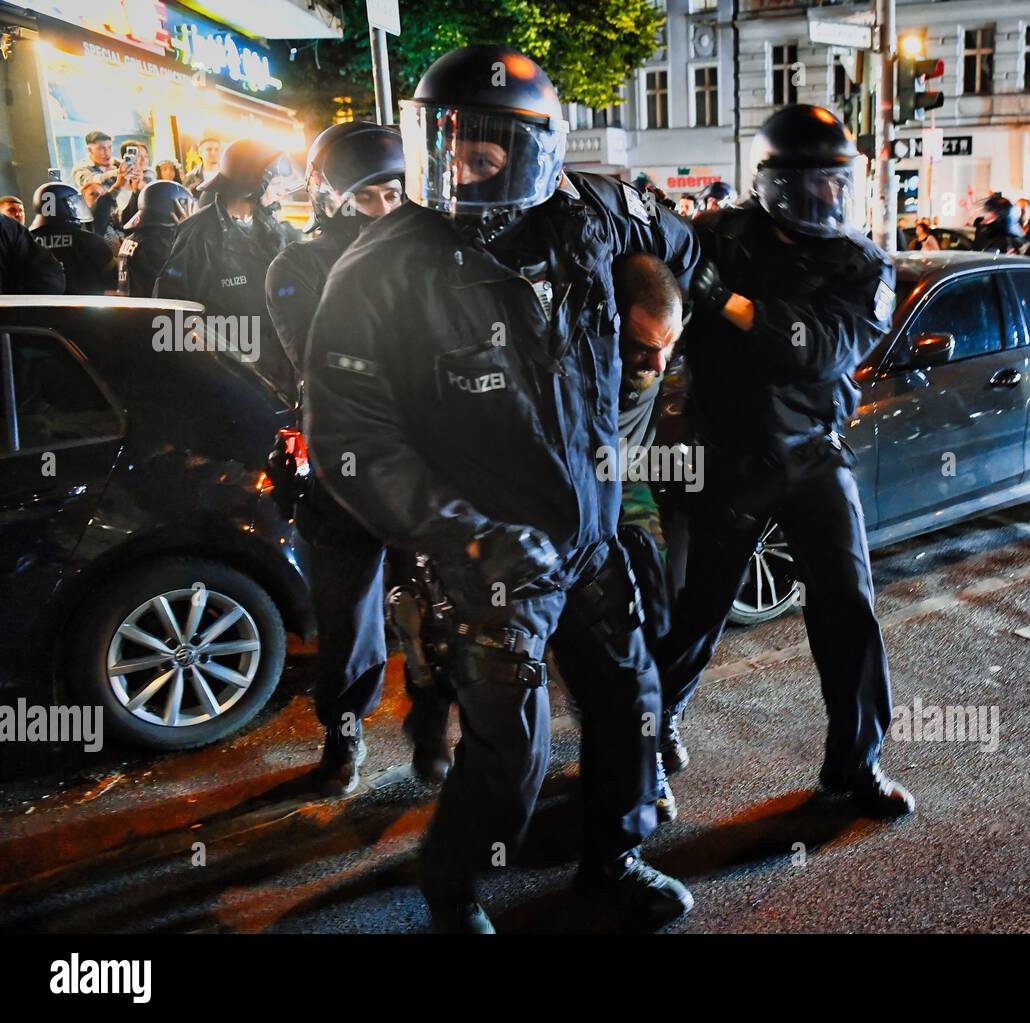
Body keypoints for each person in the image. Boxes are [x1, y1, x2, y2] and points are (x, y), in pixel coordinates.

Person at [303, 45, 699, 934]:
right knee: (510, 756)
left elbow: (681, 244)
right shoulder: (378, 270)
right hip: (491, 554)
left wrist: (658, 313)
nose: (460, 168)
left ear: (534, 151)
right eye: (444, 146)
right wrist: (462, 530)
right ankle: (452, 889)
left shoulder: (592, 215)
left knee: (631, 706)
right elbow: (353, 441)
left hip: (592, 532)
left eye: (484, 151)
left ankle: (614, 859)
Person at [654, 103, 913, 822]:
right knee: (696, 610)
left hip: (812, 455)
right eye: (812, 184)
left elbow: (819, 349)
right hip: (728, 454)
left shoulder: (861, 262)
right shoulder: (721, 233)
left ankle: (855, 763)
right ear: (774, 183)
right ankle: (647, 737)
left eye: (837, 183)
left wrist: (731, 303)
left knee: (848, 609)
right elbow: (656, 267)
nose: (827, 197)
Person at [264, 121, 418, 796]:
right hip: (344, 460)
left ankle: (437, 724)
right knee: (349, 607)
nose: (383, 208)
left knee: (438, 600)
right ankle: (345, 731)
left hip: (426, 459)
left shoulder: (431, 250)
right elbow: (319, 362)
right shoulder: (295, 265)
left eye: (393, 193)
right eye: (367, 197)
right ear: (331, 196)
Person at [609, 253, 687, 816]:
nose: (658, 362)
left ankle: (653, 743)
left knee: (655, 622)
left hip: (630, 491)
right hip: (573, 502)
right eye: (642, 347)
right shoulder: (577, 366)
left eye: (669, 344)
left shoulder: (660, 350)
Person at [154, 138, 297, 396]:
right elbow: (170, 312)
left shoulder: (269, 225)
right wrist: (211, 366)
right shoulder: (199, 233)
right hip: (234, 377)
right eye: (276, 183)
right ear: (252, 185)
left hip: (277, 368)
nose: (282, 191)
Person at [29, 182, 116, 294]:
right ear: (65, 206)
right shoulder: (89, 240)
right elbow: (113, 278)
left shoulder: (25, 240)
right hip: (87, 308)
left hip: (37, 308)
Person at [117, 180, 193, 297]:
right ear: (176, 208)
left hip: (131, 310)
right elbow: (183, 283)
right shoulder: (158, 243)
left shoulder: (132, 238)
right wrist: (187, 237)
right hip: (153, 311)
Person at [0, 206, 65, 294]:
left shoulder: (12, 230)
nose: (18, 214)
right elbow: (48, 281)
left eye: (21, 210)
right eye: (11, 210)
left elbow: (47, 279)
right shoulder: (10, 228)